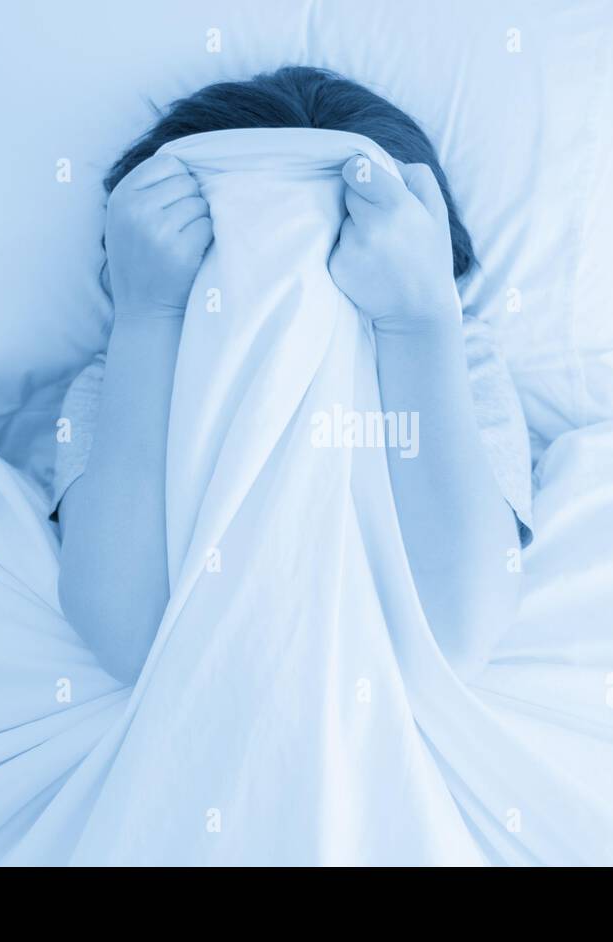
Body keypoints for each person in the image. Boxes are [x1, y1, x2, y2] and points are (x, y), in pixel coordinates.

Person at [55, 66, 533, 684]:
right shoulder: (119, 376)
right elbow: (124, 639)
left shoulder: (459, 359)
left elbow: (459, 635)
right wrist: (150, 317)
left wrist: (418, 322)